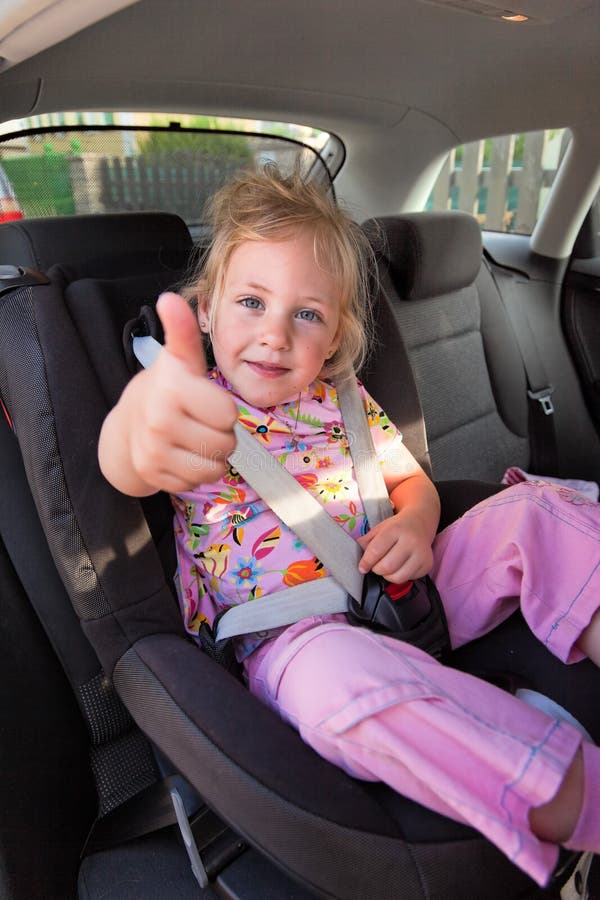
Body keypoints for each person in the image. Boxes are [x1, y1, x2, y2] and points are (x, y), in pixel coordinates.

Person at [98, 165, 600, 887]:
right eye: (250, 302)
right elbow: (131, 463)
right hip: (292, 639)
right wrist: (137, 432)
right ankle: (570, 798)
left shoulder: (343, 399)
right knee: (343, 694)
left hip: (399, 588)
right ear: (205, 312)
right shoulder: (192, 408)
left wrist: (420, 525)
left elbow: (408, 480)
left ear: (333, 335)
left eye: (306, 313)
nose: (274, 334)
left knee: (533, 511)